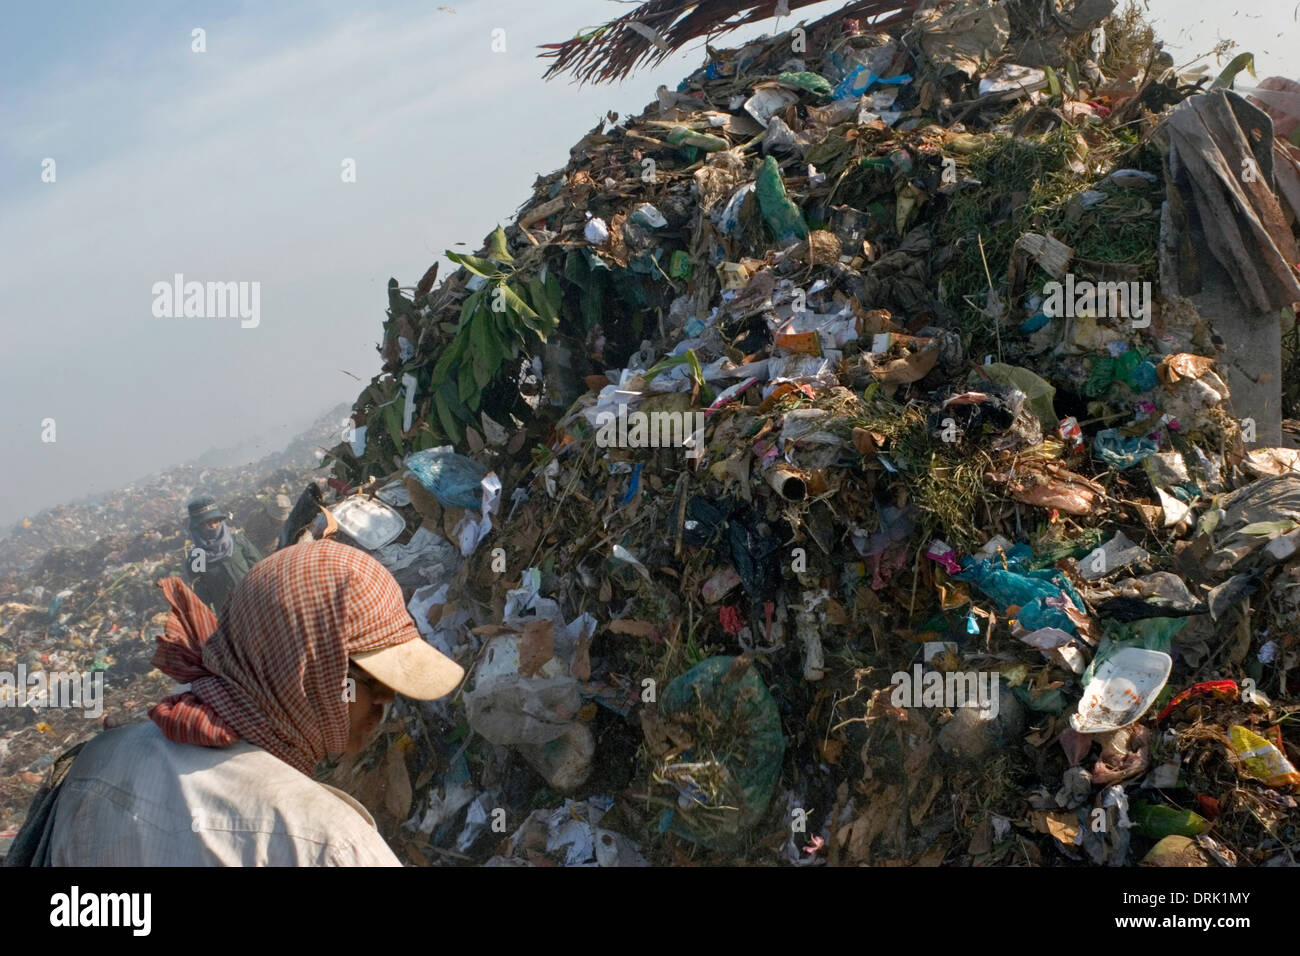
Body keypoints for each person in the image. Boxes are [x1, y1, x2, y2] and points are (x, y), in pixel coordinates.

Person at [16, 539, 463, 866]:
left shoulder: (94, 762)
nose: (385, 704)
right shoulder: (329, 844)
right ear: (302, 672)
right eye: (371, 683)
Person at [185, 496, 262, 614]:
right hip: (230, 616)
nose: (214, 526)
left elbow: (261, 568)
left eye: (216, 521)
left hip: (257, 603)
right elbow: (202, 595)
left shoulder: (238, 541)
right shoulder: (196, 558)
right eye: (207, 523)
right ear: (198, 527)